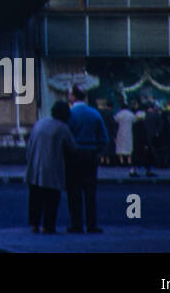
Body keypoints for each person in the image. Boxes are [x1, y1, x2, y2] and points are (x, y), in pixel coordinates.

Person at [26, 100, 78, 234]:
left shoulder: (40, 122)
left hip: (35, 166)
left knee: (35, 197)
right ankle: (47, 226)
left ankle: (34, 224)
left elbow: (30, 143)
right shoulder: (62, 127)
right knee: (51, 199)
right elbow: (72, 147)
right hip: (51, 168)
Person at [65, 85, 108, 233]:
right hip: (91, 154)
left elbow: (65, 137)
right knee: (90, 192)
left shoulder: (70, 115)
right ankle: (92, 224)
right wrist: (98, 152)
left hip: (74, 155)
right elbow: (104, 138)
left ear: (73, 97)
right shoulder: (94, 114)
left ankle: (76, 224)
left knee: (74, 192)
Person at [113, 99, 135, 168]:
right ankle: (129, 161)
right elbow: (134, 120)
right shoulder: (131, 114)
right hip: (129, 132)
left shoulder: (119, 114)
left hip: (121, 131)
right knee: (129, 146)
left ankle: (121, 161)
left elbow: (115, 120)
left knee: (120, 146)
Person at [99, 99, 117, 167]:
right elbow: (113, 123)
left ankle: (102, 161)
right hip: (109, 131)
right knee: (109, 147)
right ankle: (108, 161)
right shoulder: (111, 112)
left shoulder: (101, 112)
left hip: (102, 130)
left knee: (103, 147)